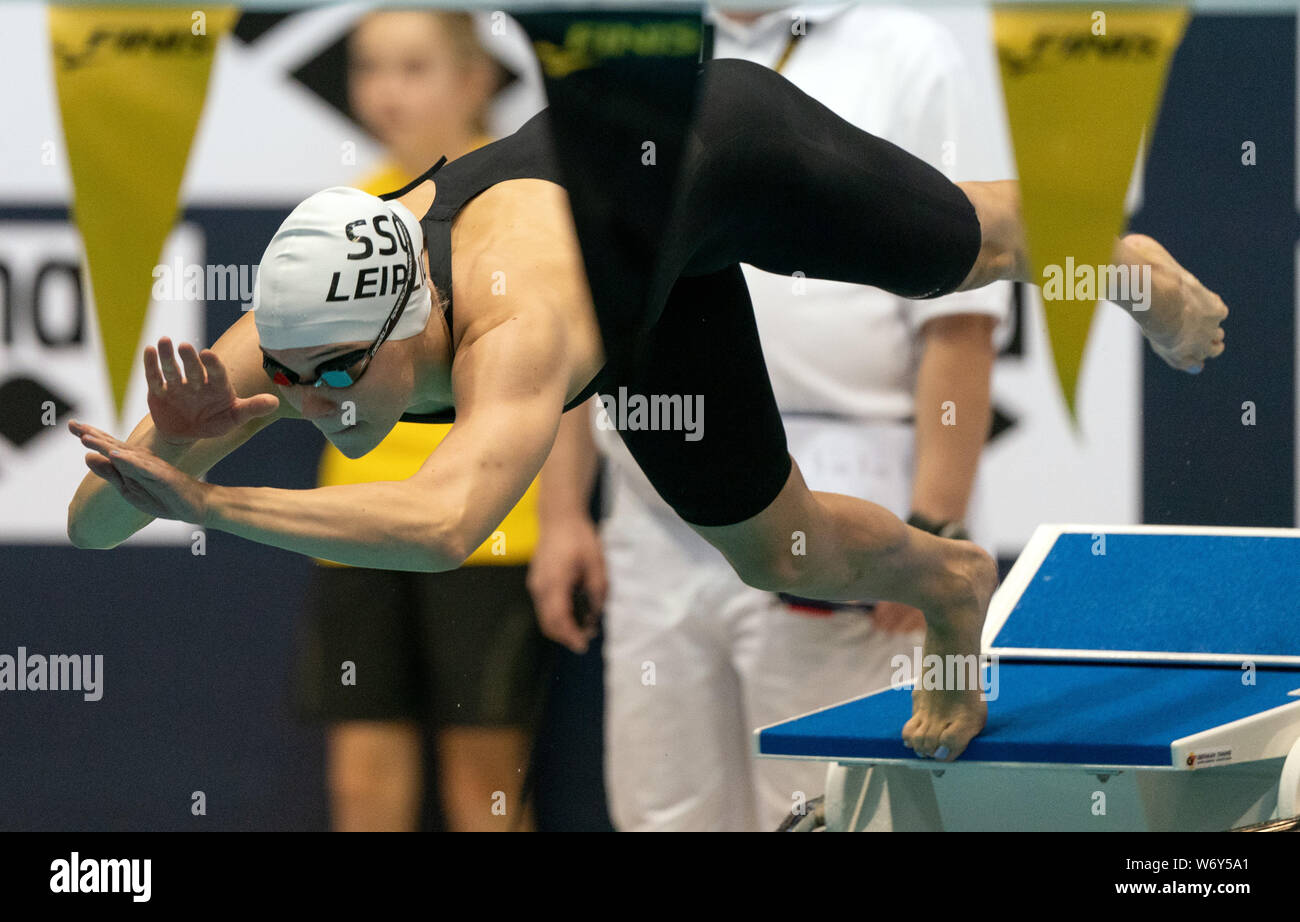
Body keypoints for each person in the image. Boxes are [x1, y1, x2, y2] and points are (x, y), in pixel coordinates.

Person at [65, 56, 1229, 764]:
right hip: (636, 266)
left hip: (718, 149)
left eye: (335, 381)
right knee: (783, 552)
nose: (314, 407)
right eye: (294, 375)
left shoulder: (521, 323)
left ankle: (1113, 255)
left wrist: (214, 497)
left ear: (412, 318)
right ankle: (951, 584)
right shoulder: (288, 336)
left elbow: (442, 526)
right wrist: (185, 450)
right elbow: (91, 522)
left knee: (953, 257)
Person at [527, 2, 1010, 831]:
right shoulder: (625, 44)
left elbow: (959, 319)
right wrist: (564, 510)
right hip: (649, 508)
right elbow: (571, 291)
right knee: (661, 810)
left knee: (824, 805)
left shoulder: (912, 54)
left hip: (840, 500)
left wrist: (933, 517)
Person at [293, 9, 548, 833]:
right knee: (363, 791)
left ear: (478, 78)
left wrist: (574, 517)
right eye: (370, 68)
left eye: (413, 67)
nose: (386, 91)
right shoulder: (343, 212)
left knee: (486, 794)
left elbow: (570, 379)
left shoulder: (526, 204)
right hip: (357, 523)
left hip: (494, 527)